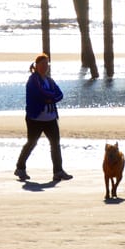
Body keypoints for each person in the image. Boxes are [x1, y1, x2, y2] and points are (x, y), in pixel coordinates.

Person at [13, 54, 73, 183]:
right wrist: (50, 97)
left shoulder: (49, 80)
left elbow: (59, 94)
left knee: (55, 144)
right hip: (35, 118)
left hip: (50, 118)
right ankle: (20, 168)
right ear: (37, 65)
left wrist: (50, 98)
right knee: (31, 143)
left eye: (47, 64)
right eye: (42, 64)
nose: (45, 67)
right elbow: (39, 94)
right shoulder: (33, 80)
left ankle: (58, 171)